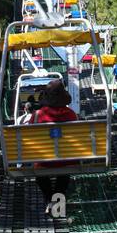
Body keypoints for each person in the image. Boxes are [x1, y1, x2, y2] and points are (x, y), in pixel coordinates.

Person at [30, 79, 77, 212]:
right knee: (64, 173)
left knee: (41, 174)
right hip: (66, 161)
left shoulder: (37, 115)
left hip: (43, 161)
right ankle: (56, 206)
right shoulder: (71, 115)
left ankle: (50, 201)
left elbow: (30, 139)